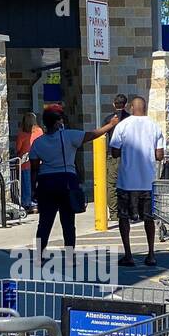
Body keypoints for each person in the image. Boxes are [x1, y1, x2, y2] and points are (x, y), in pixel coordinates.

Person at [30, 105, 106, 250]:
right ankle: (70, 257)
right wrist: (110, 125)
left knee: (44, 222)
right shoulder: (69, 136)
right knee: (68, 223)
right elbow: (93, 134)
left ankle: (39, 255)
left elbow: (34, 169)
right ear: (58, 122)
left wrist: (33, 189)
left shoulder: (37, 143)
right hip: (67, 181)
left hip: (46, 183)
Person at [109, 96, 165, 267]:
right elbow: (159, 155)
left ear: (132, 108)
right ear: (145, 108)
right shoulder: (155, 126)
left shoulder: (122, 125)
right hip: (147, 181)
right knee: (149, 218)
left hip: (127, 180)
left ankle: (128, 255)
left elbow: (115, 152)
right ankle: (151, 254)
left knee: (124, 217)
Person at [16, 111, 43, 211]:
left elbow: (18, 148)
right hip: (38, 161)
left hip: (25, 162)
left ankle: (27, 203)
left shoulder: (22, 134)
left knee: (26, 184)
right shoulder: (39, 131)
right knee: (37, 183)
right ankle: (38, 200)